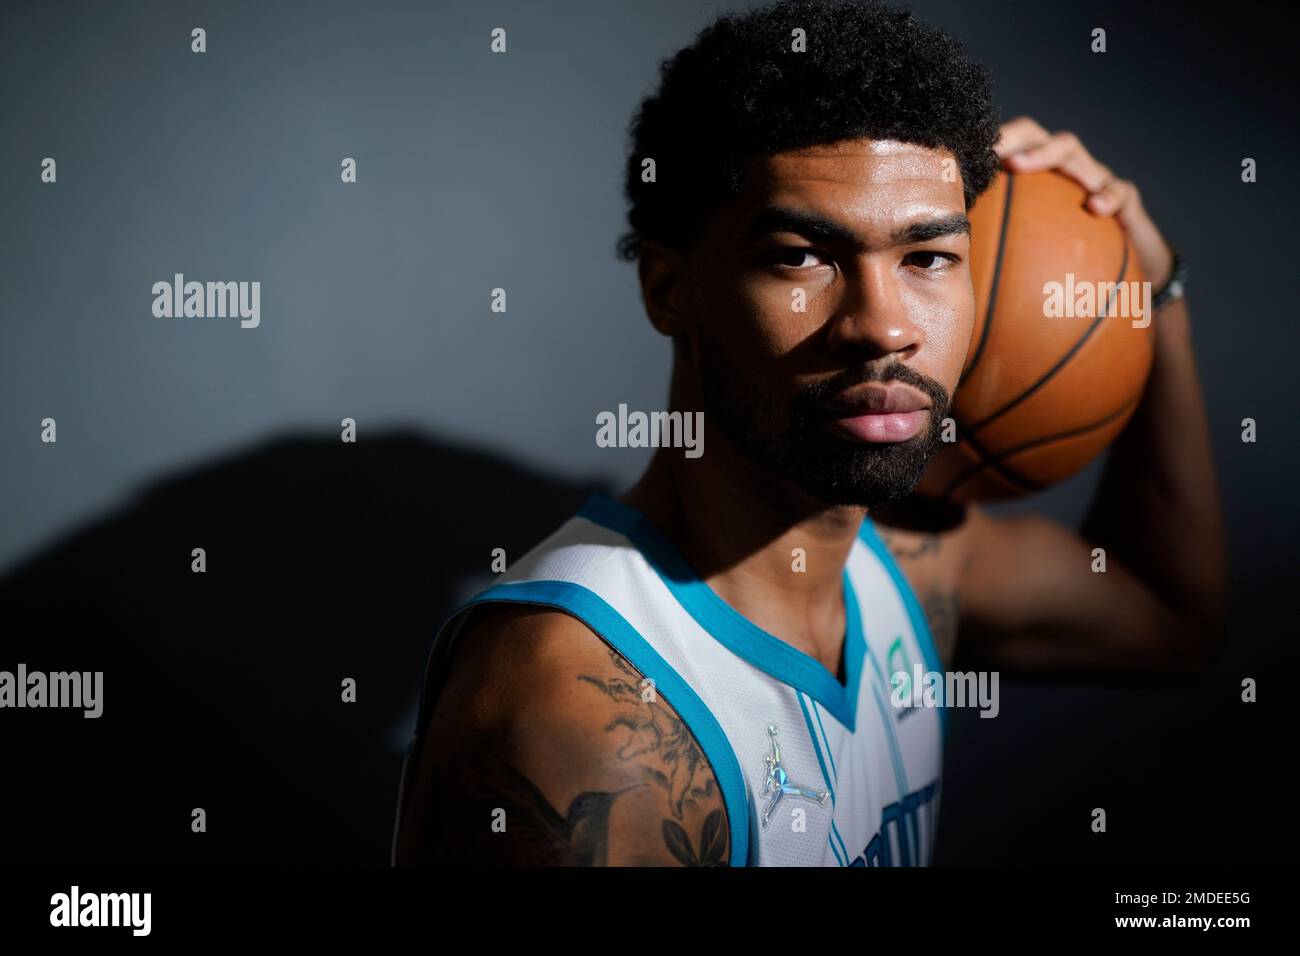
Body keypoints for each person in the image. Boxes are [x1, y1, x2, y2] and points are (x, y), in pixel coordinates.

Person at [392, 0, 1225, 867]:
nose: (883, 326)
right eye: (801, 256)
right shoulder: (582, 725)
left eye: (928, 256)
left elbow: (1170, 620)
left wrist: (1152, 292)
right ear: (668, 289)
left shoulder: (898, 567)